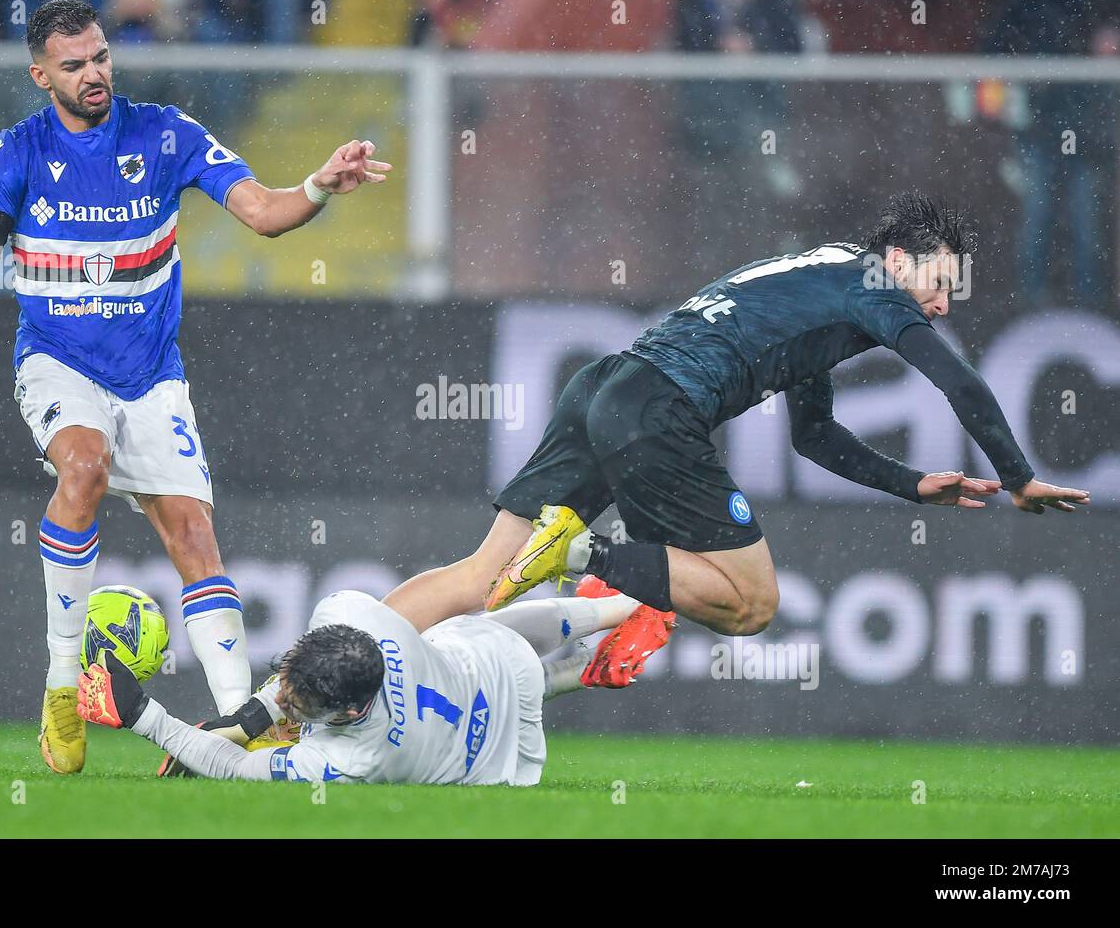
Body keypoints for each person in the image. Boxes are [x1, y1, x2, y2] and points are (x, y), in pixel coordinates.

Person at [0, 0, 390, 775]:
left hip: (150, 378)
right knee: (83, 466)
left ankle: (247, 725)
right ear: (40, 74)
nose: (94, 74)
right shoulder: (17, 152)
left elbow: (265, 215)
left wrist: (316, 183)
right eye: (73, 66)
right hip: (57, 361)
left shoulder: (168, 134)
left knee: (193, 536)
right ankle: (59, 689)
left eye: (101, 57)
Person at [384, 193, 1090, 677]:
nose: (941, 304)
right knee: (752, 605)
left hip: (604, 387)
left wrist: (908, 485)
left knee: (481, 577)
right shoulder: (873, 285)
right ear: (901, 259)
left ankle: (304, 683)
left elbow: (813, 436)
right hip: (658, 408)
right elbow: (960, 381)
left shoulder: (820, 282)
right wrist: (1018, 477)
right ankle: (578, 549)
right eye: (940, 283)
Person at [77, 578, 665, 785]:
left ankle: (585, 670)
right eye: (287, 682)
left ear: (350, 714)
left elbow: (232, 769)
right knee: (478, 639)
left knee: (488, 656)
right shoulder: (351, 614)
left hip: (498, 765)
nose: (285, 701)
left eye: (300, 709)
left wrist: (144, 716)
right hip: (493, 669)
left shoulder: (358, 760)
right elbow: (289, 695)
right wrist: (249, 720)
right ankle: (622, 608)